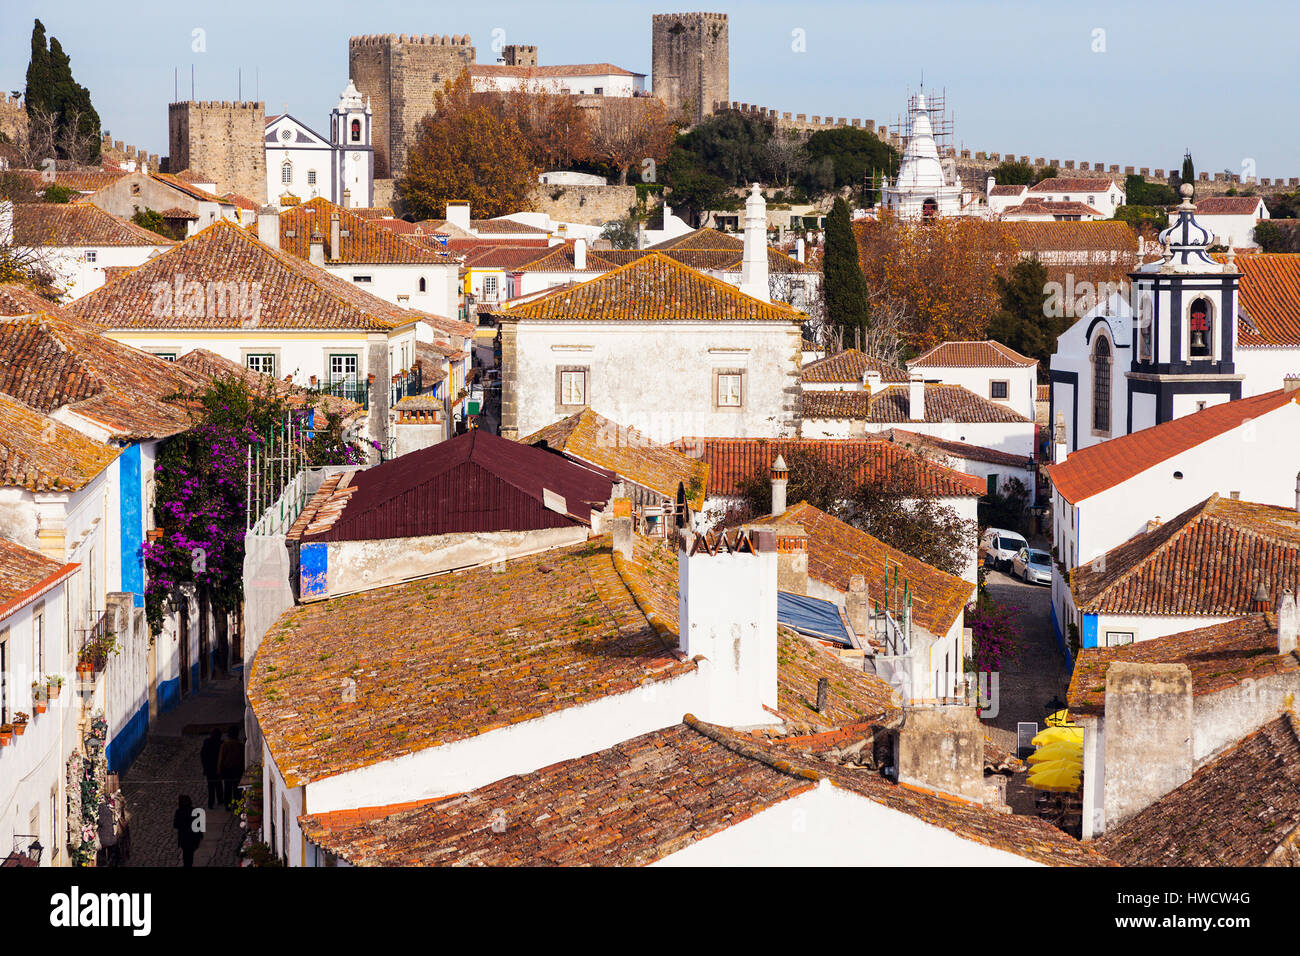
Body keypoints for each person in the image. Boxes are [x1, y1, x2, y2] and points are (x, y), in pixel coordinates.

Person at [173, 794, 203, 867]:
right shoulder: (194, 811)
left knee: (186, 855)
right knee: (190, 855)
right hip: (193, 838)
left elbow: (175, 825)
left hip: (184, 838)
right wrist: (200, 835)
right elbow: (198, 825)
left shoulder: (179, 811)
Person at [218, 726, 244, 810]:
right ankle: (237, 804)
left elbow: (221, 758)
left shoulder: (225, 745)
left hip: (227, 769)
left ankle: (227, 805)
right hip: (237, 769)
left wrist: (219, 770)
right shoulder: (240, 745)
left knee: (227, 788)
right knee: (236, 789)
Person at [200, 728, 223, 809]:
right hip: (217, 767)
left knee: (211, 786)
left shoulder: (207, 742)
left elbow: (203, 755)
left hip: (209, 768)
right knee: (218, 784)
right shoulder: (220, 743)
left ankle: (211, 803)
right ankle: (220, 800)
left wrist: (204, 766)